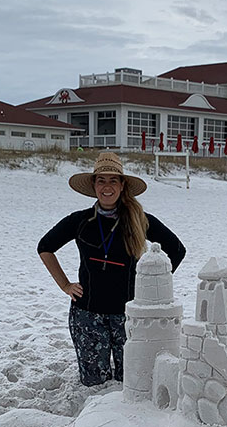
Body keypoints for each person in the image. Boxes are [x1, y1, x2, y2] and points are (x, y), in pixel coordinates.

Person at [37, 151, 186, 387]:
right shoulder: (80, 221)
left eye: (113, 180)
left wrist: (151, 289)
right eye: (101, 180)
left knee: (132, 383)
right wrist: (65, 285)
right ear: (94, 185)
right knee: (94, 384)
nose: (107, 187)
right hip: (87, 316)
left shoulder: (140, 219)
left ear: (122, 185)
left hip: (128, 317)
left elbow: (177, 250)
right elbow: (45, 247)